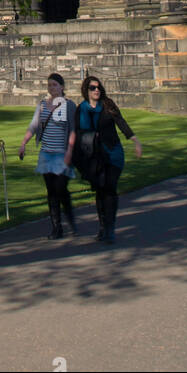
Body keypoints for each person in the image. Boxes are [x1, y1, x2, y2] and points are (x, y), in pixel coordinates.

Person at [70, 74, 142, 245]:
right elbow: (76, 132)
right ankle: (102, 226)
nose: (96, 90)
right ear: (86, 90)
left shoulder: (108, 104)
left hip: (113, 153)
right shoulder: (81, 109)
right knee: (100, 190)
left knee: (109, 188)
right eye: (92, 88)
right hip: (93, 157)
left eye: (98, 87)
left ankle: (110, 228)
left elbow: (121, 123)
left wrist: (135, 141)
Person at [19, 73, 79, 239]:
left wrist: (70, 151)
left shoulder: (69, 105)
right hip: (46, 154)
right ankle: (56, 227)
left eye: (55, 85)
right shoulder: (43, 105)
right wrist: (24, 143)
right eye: (50, 85)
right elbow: (33, 126)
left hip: (62, 154)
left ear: (62, 87)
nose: (52, 88)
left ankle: (71, 220)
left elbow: (74, 130)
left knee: (60, 189)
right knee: (51, 191)